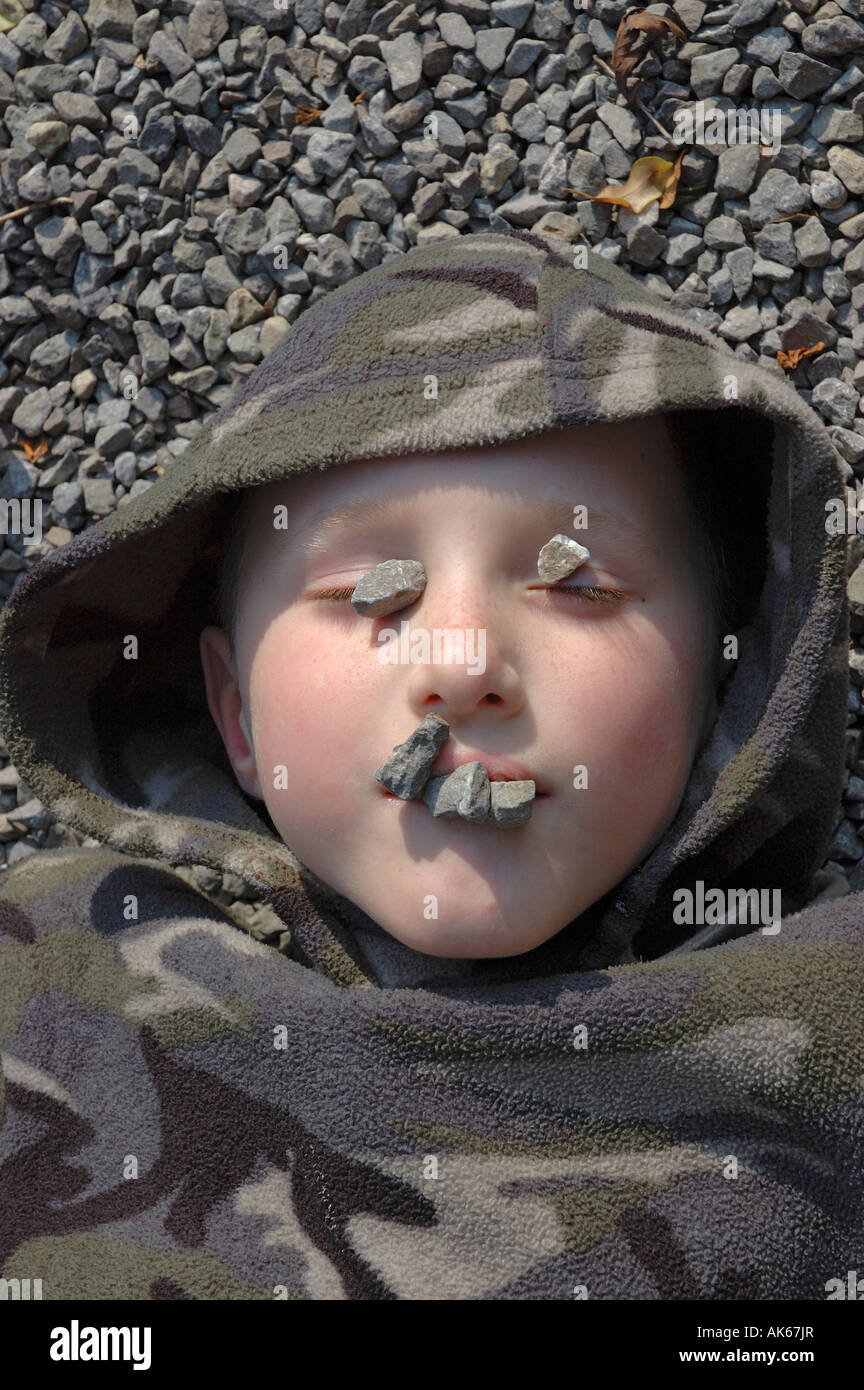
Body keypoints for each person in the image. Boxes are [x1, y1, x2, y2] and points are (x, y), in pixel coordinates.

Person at [0, 229, 860, 1300]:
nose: (462, 665)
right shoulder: (50, 979)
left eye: (579, 585)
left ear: (725, 690)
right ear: (237, 717)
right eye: (373, 593)